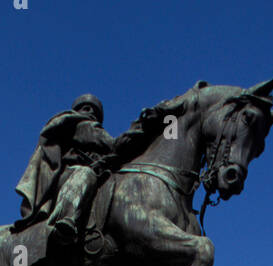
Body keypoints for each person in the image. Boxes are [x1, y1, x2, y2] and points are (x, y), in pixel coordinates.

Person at [15, 95, 163, 245]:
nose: (90, 111)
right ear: (78, 110)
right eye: (86, 108)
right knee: (85, 174)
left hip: (93, 175)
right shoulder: (82, 125)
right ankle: (65, 219)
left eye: (94, 110)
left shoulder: (89, 129)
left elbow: (114, 154)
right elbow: (114, 145)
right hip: (70, 176)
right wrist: (141, 128)